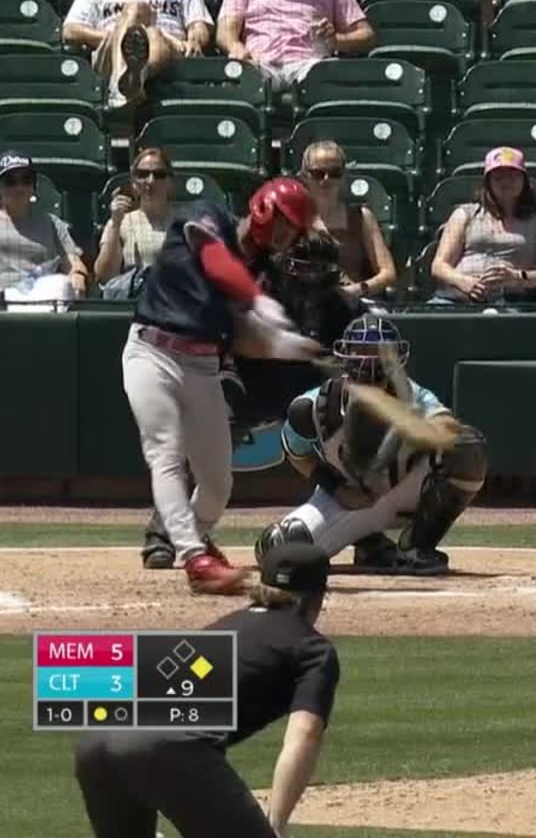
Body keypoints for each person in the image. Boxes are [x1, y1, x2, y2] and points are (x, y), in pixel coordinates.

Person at [123, 177, 323, 593]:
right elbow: (216, 261)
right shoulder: (206, 215)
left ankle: (194, 538)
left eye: (294, 231)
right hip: (152, 353)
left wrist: (287, 345)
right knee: (166, 453)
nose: (286, 238)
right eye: (285, 224)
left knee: (217, 482)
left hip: (202, 365)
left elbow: (243, 337)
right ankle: (196, 560)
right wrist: (256, 299)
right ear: (264, 207)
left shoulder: (261, 272)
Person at [75, 538, 339, 837]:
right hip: (163, 745)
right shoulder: (313, 649)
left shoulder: (223, 625)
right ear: (319, 597)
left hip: (96, 742)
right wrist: (275, 825)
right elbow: (304, 734)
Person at [255, 315, 489, 577]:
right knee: (280, 548)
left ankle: (416, 547)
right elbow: (295, 451)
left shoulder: (411, 395)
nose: (372, 360)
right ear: (347, 356)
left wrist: (423, 428)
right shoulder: (315, 406)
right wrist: (336, 488)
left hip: (403, 488)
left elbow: (448, 427)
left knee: (467, 447)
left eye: (380, 352)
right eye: (363, 352)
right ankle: (370, 544)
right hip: (349, 499)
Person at [0, 151, 91, 303]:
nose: (19, 187)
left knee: (62, 284)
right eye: (10, 181)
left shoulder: (51, 223)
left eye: (26, 180)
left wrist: (78, 274)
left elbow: (74, 263)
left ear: (34, 187)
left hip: (41, 295)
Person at [429, 147, 536, 305]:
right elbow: (439, 266)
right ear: (488, 183)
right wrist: (463, 281)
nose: (506, 182)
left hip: (514, 302)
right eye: (498, 178)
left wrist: (516, 278)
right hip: (458, 298)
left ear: (524, 181)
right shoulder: (464, 214)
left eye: (513, 176)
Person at [62, 0, 213, 107]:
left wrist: (194, 39)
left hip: (169, 51)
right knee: (135, 10)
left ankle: (127, 85)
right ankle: (127, 80)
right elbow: (70, 30)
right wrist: (118, 38)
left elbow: (199, 25)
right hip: (111, 55)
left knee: (153, 35)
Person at [217, 0, 376, 90]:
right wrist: (235, 47)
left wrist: (336, 41)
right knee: (235, 74)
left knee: (330, 74)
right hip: (260, 63)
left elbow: (366, 36)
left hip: (310, 64)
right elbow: (225, 32)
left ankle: (324, 134)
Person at [297, 140, 397, 303]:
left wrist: (358, 289)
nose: (326, 180)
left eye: (335, 173)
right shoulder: (295, 218)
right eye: (318, 173)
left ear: (344, 177)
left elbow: (388, 273)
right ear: (304, 177)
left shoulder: (362, 217)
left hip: (355, 302)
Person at [95, 147, 178, 299]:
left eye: (159, 175)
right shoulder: (122, 222)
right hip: (134, 302)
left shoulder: (184, 223)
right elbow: (105, 276)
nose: (150, 181)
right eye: (143, 174)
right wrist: (116, 223)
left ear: (170, 182)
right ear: (134, 182)